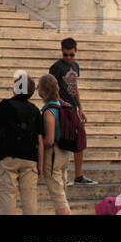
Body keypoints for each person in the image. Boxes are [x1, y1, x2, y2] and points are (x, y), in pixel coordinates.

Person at [0, 72, 43, 216]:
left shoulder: (3, 106)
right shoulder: (35, 110)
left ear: (15, 88)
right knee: (30, 199)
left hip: (8, 156)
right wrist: (40, 164)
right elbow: (40, 140)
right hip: (30, 158)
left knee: (8, 197)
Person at [49, 37, 94, 185]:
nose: (68, 58)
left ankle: (79, 175)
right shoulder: (56, 67)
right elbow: (51, 88)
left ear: (76, 52)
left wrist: (80, 107)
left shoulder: (75, 66)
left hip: (72, 108)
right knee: (64, 140)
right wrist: (61, 102)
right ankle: (63, 174)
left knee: (79, 138)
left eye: (71, 55)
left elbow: (74, 88)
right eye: (65, 54)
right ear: (61, 51)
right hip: (61, 109)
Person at [38, 72, 71, 216]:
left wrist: (39, 145)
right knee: (62, 193)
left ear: (43, 91)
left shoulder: (49, 111)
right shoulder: (62, 105)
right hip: (65, 152)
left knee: (59, 198)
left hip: (53, 156)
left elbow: (49, 140)